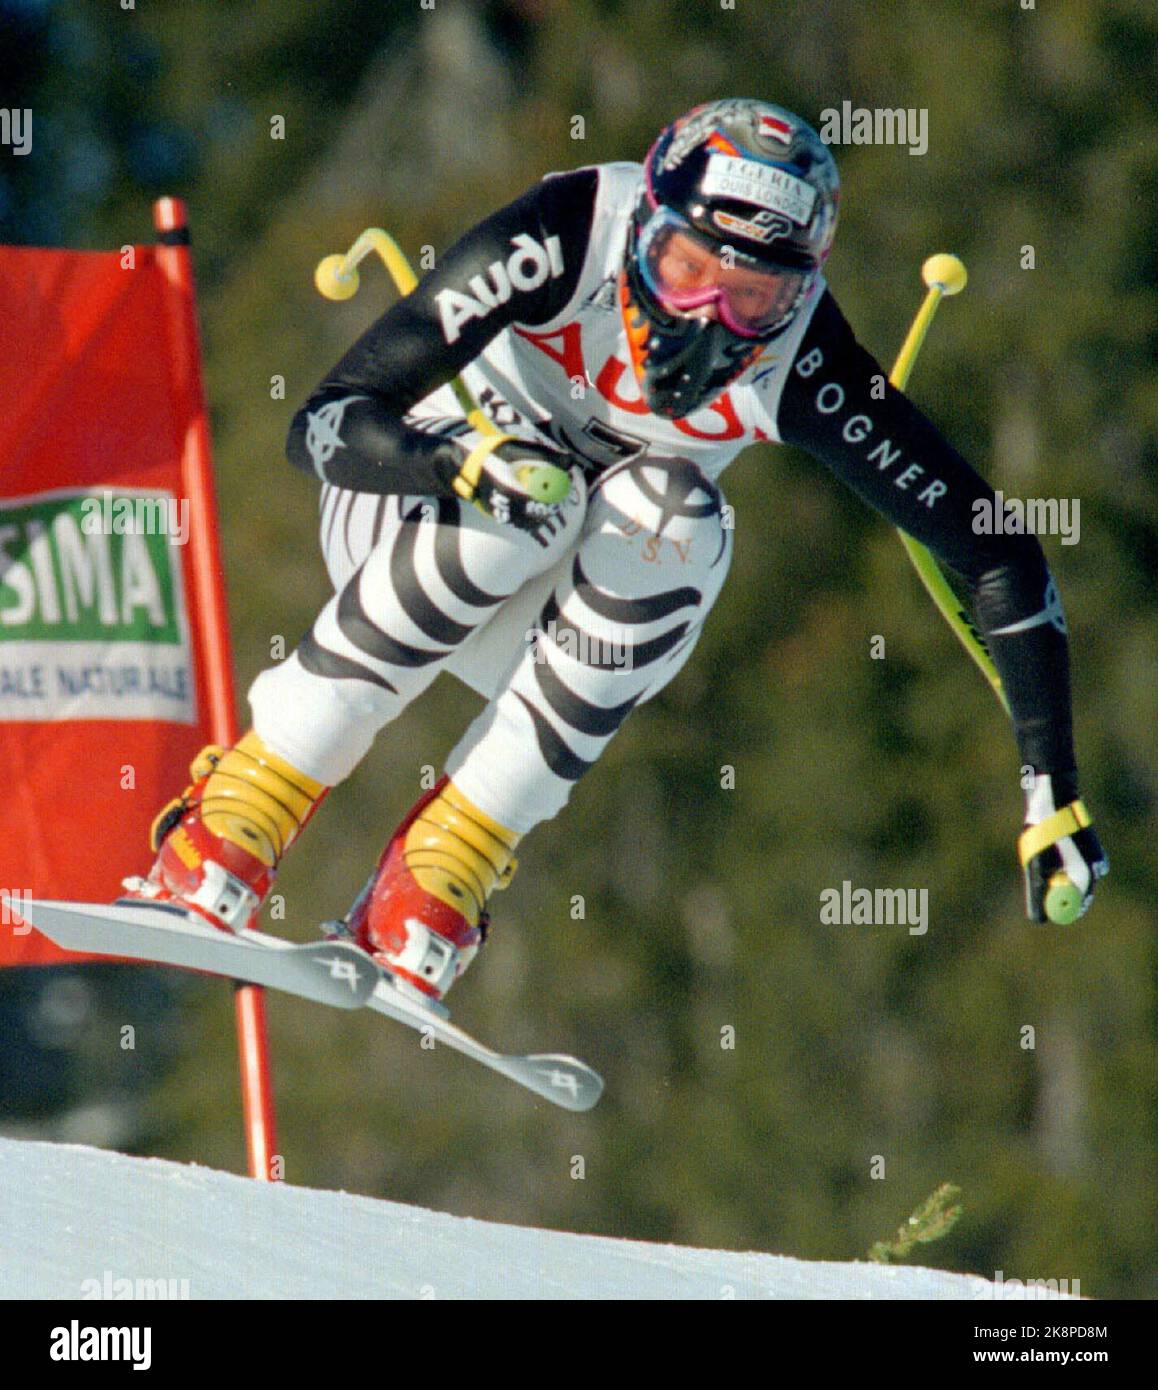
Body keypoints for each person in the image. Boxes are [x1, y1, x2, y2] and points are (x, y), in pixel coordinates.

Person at [125, 99, 1107, 1004]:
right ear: (648, 228)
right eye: (687, 269)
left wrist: (1050, 789)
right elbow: (327, 423)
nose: (707, 316)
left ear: (797, 292)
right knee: (528, 500)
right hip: (404, 530)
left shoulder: (805, 358)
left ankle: (442, 867)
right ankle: (246, 802)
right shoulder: (567, 232)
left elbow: (994, 554)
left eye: (750, 295)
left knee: (678, 517)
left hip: (552, 631)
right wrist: (455, 464)